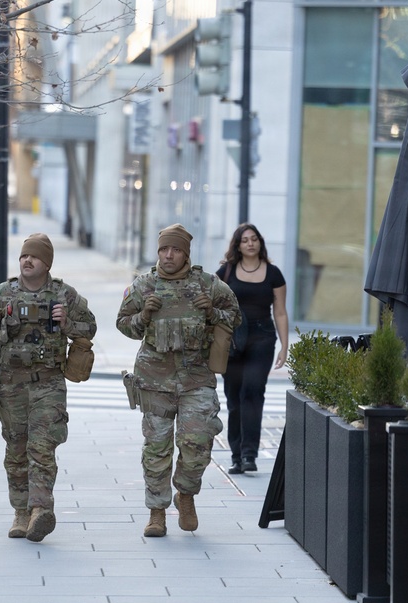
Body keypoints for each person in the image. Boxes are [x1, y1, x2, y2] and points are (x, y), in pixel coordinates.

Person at [0, 233, 97, 542]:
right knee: (16, 451)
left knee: (42, 448)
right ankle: (21, 512)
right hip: (10, 385)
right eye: (24, 256)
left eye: (34, 257)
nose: (27, 260)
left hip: (48, 384)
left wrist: (67, 325)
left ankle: (40, 510)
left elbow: (90, 327)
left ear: (46, 263)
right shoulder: (2, 295)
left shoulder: (65, 295)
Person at [116, 224, 239, 537]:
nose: (168, 255)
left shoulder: (208, 284)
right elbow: (123, 324)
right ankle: (157, 512)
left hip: (196, 378)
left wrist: (212, 312)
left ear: (186, 253)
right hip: (154, 380)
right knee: (156, 449)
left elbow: (234, 315)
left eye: (175, 250)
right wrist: (143, 317)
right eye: (163, 249)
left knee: (197, 442)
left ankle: (186, 494)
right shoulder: (144, 285)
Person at [215, 223, 288, 475]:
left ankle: (249, 455)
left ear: (260, 243)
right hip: (232, 340)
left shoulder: (274, 273)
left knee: (253, 393)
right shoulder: (225, 272)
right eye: (245, 240)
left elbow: (280, 311)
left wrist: (284, 346)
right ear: (237, 245)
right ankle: (236, 456)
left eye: (254, 239)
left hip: (262, 338)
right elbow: (211, 305)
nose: (250, 243)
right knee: (233, 397)